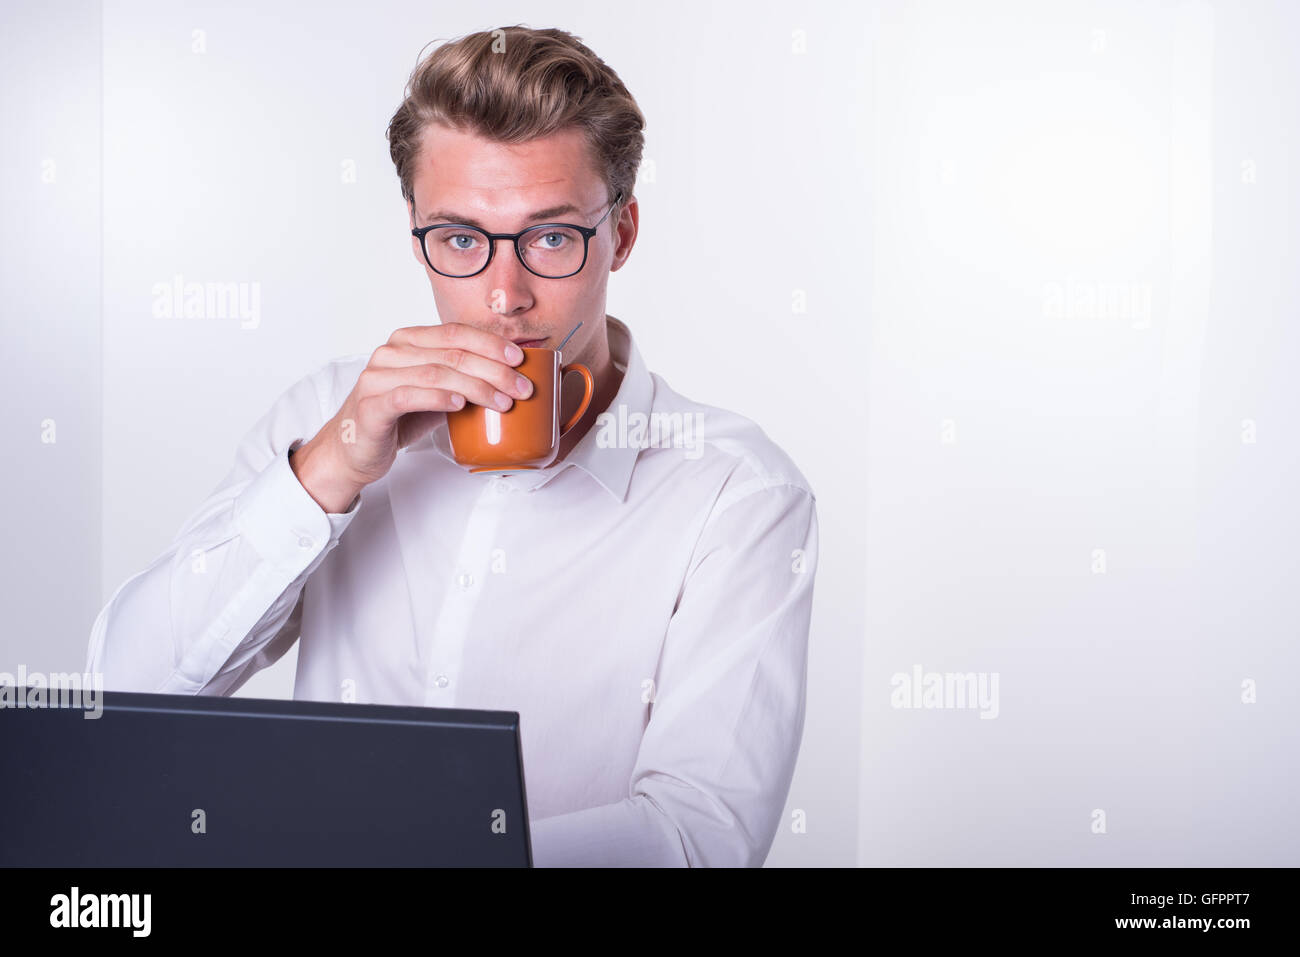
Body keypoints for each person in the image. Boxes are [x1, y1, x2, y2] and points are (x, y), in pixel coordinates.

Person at [87, 24, 819, 867]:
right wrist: (327, 473)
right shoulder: (331, 412)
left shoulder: (738, 494)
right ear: (418, 236)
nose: (503, 298)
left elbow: (699, 838)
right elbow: (121, 699)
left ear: (620, 234)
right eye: (462, 239)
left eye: (551, 237)